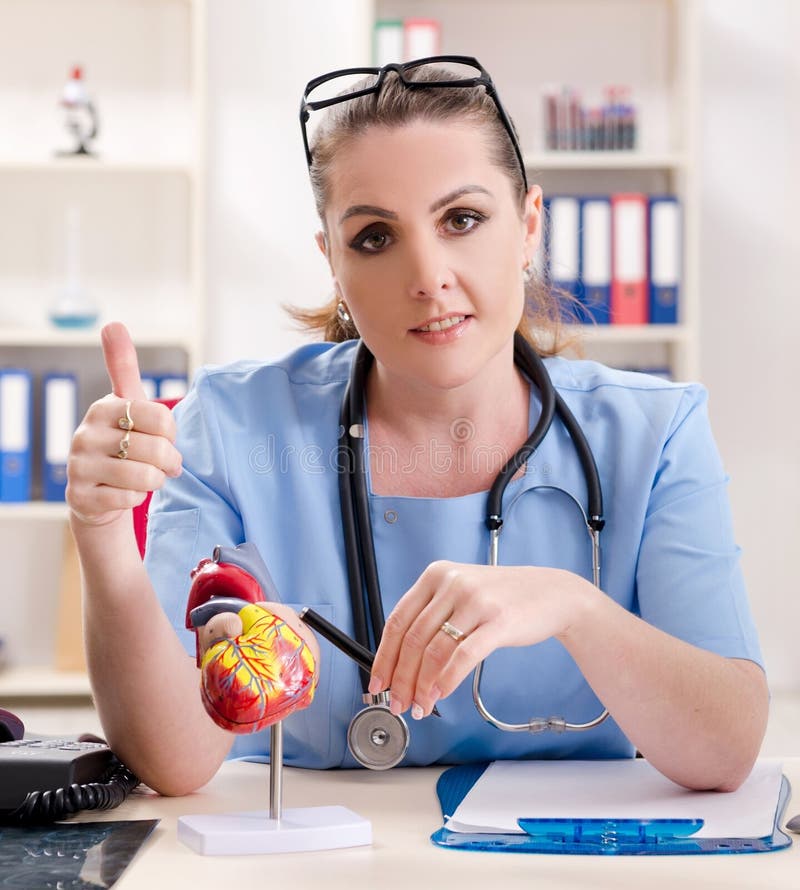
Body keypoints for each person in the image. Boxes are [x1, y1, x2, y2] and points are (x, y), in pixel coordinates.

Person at [66, 57, 768, 797]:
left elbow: (723, 750)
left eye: (461, 219)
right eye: (374, 236)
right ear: (332, 261)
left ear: (529, 228)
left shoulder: (653, 433)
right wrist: (103, 532)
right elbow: (175, 762)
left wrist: (574, 606)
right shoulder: (234, 427)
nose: (427, 274)